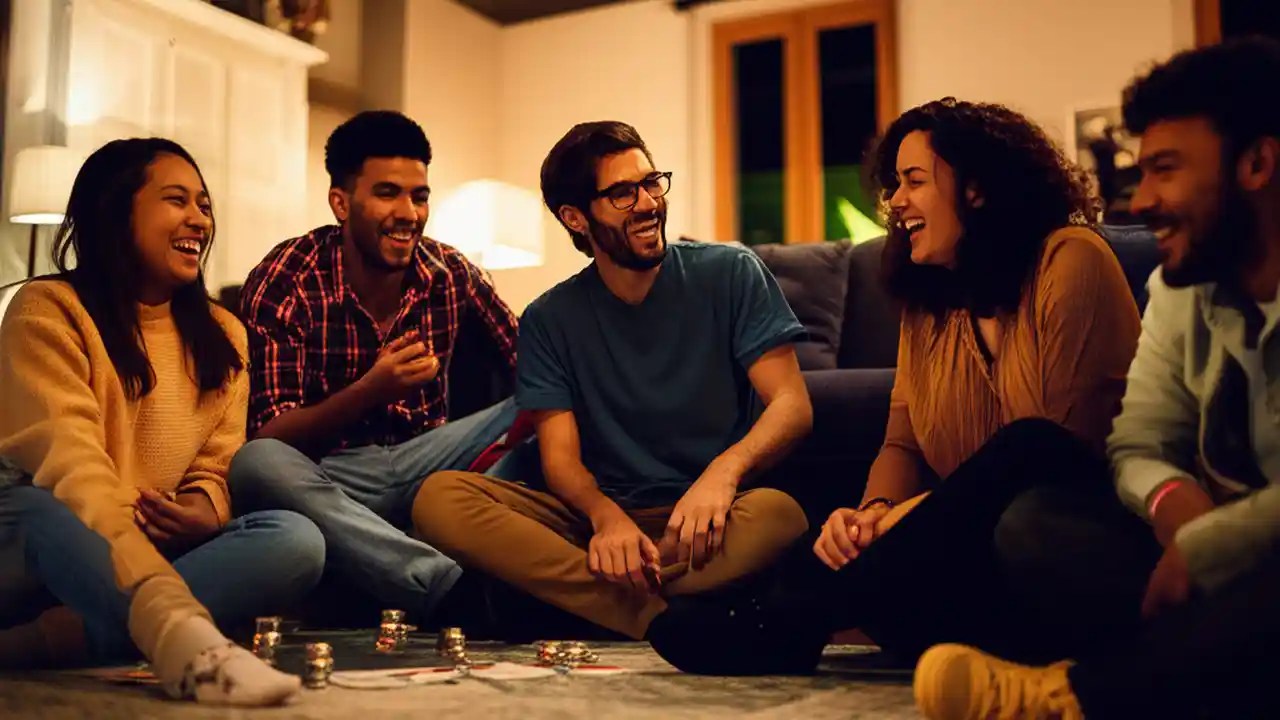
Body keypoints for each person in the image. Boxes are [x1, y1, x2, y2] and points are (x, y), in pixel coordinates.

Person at [648, 98, 1150, 676]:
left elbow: (1061, 446)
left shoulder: (1070, 257)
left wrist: (901, 521)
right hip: (965, 559)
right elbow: (902, 443)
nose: (896, 202)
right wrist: (871, 515)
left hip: (1065, 538)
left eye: (914, 181)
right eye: (894, 186)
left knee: (1029, 447)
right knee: (867, 557)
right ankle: (800, 614)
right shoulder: (928, 300)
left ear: (976, 189)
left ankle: (783, 622)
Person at [913, 37, 1280, 720]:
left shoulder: (1069, 258)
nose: (1142, 201)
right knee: (1035, 529)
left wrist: (1211, 546)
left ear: (1257, 163)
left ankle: (1073, 695)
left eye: (1165, 170)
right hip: (1199, 543)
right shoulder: (1180, 287)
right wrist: (1173, 504)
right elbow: (1139, 441)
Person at [411, 121, 812, 640]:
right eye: (623, 193)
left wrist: (722, 474)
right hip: (596, 527)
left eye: (651, 183)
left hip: (707, 520)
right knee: (439, 498)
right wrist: (605, 518)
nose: (648, 204)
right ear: (575, 217)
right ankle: (659, 620)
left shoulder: (732, 273)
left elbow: (792, 404)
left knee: (780, 515)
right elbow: (560, 460)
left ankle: (584, 604)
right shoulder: (548, 319)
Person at [0, 138, 323, 705]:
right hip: (58, 542)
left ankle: (58, 638)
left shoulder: (224, 334)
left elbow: (218, 461)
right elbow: (69, 468)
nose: (199, 219)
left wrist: (203, 507)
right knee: (35, 511)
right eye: (177, 200)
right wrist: (128, 526)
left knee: (294, 538)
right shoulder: (47, 308)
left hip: (153, 548)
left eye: (204, 204)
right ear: (116, 210)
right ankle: (182, 639)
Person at [226, 111, 523, 625]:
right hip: (329, 474)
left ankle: (384, 553)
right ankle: (449, 589)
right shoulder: (288, 278)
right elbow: (271, 433)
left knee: (546, 401)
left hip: (428, 464)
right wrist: (370, 390)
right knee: (257, 463)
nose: (408, 213)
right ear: (341, 203)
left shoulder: (450, 272)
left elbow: (534, 364)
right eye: (387, 194)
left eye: (419, 196)